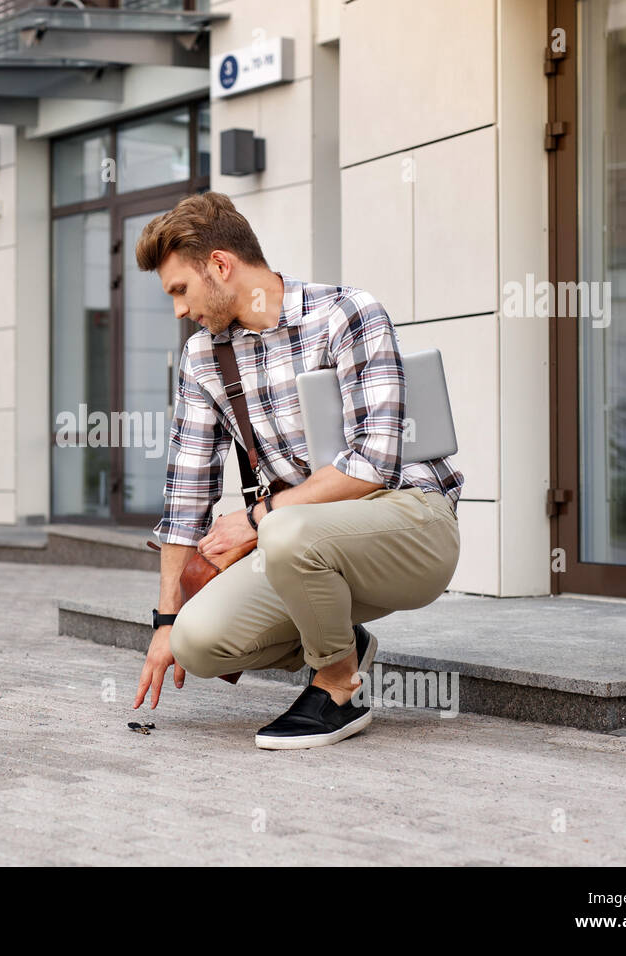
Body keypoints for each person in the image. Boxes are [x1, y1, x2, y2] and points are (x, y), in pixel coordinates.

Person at [131, 191, 464, 750]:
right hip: (302, 540)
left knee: (282, 530)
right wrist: (165, 621)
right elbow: (185, 495)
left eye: (180, 290)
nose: (179, 310)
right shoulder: (203, 357)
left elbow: (373, 465)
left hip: (412, 522)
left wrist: (257, 518)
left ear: (220, 264)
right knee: (198, 641)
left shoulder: (346, 314)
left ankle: (339, 687)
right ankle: (341, 640)